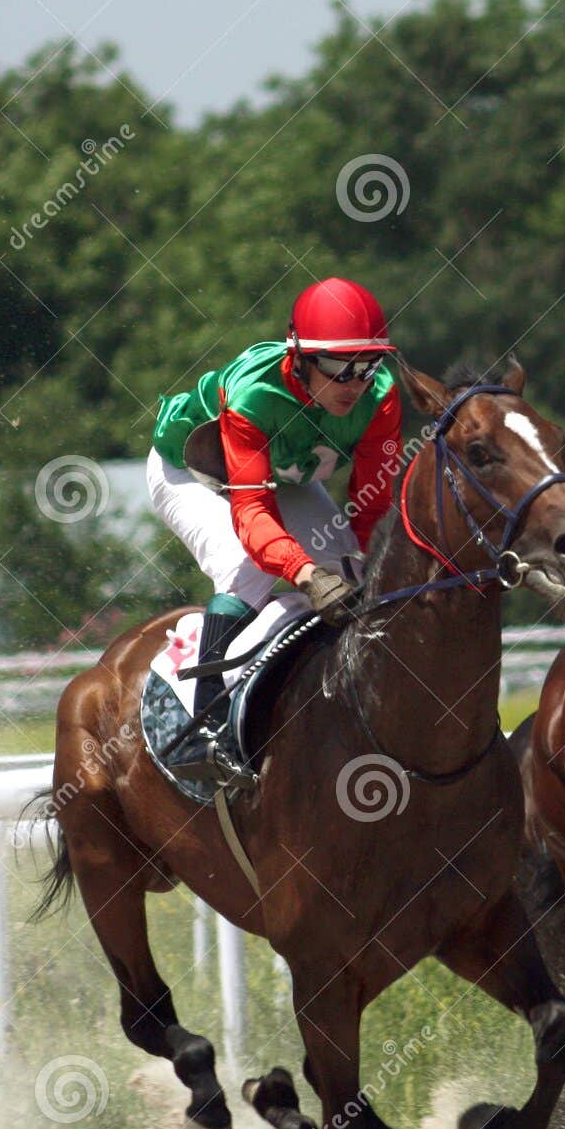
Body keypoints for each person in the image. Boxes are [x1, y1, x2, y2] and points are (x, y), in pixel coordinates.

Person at [148, 276, 402, 779]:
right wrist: (304, 575)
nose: (355, 383)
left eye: (368, 364)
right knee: (245, 567)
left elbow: (371, 505)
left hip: (285, 475)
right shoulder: (255, 394)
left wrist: (360, 569)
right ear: (300, 356)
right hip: (196, 471)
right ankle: (205, 731)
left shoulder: (382, 397)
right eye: (338, 366)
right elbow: (251, 513)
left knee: (347, 569)